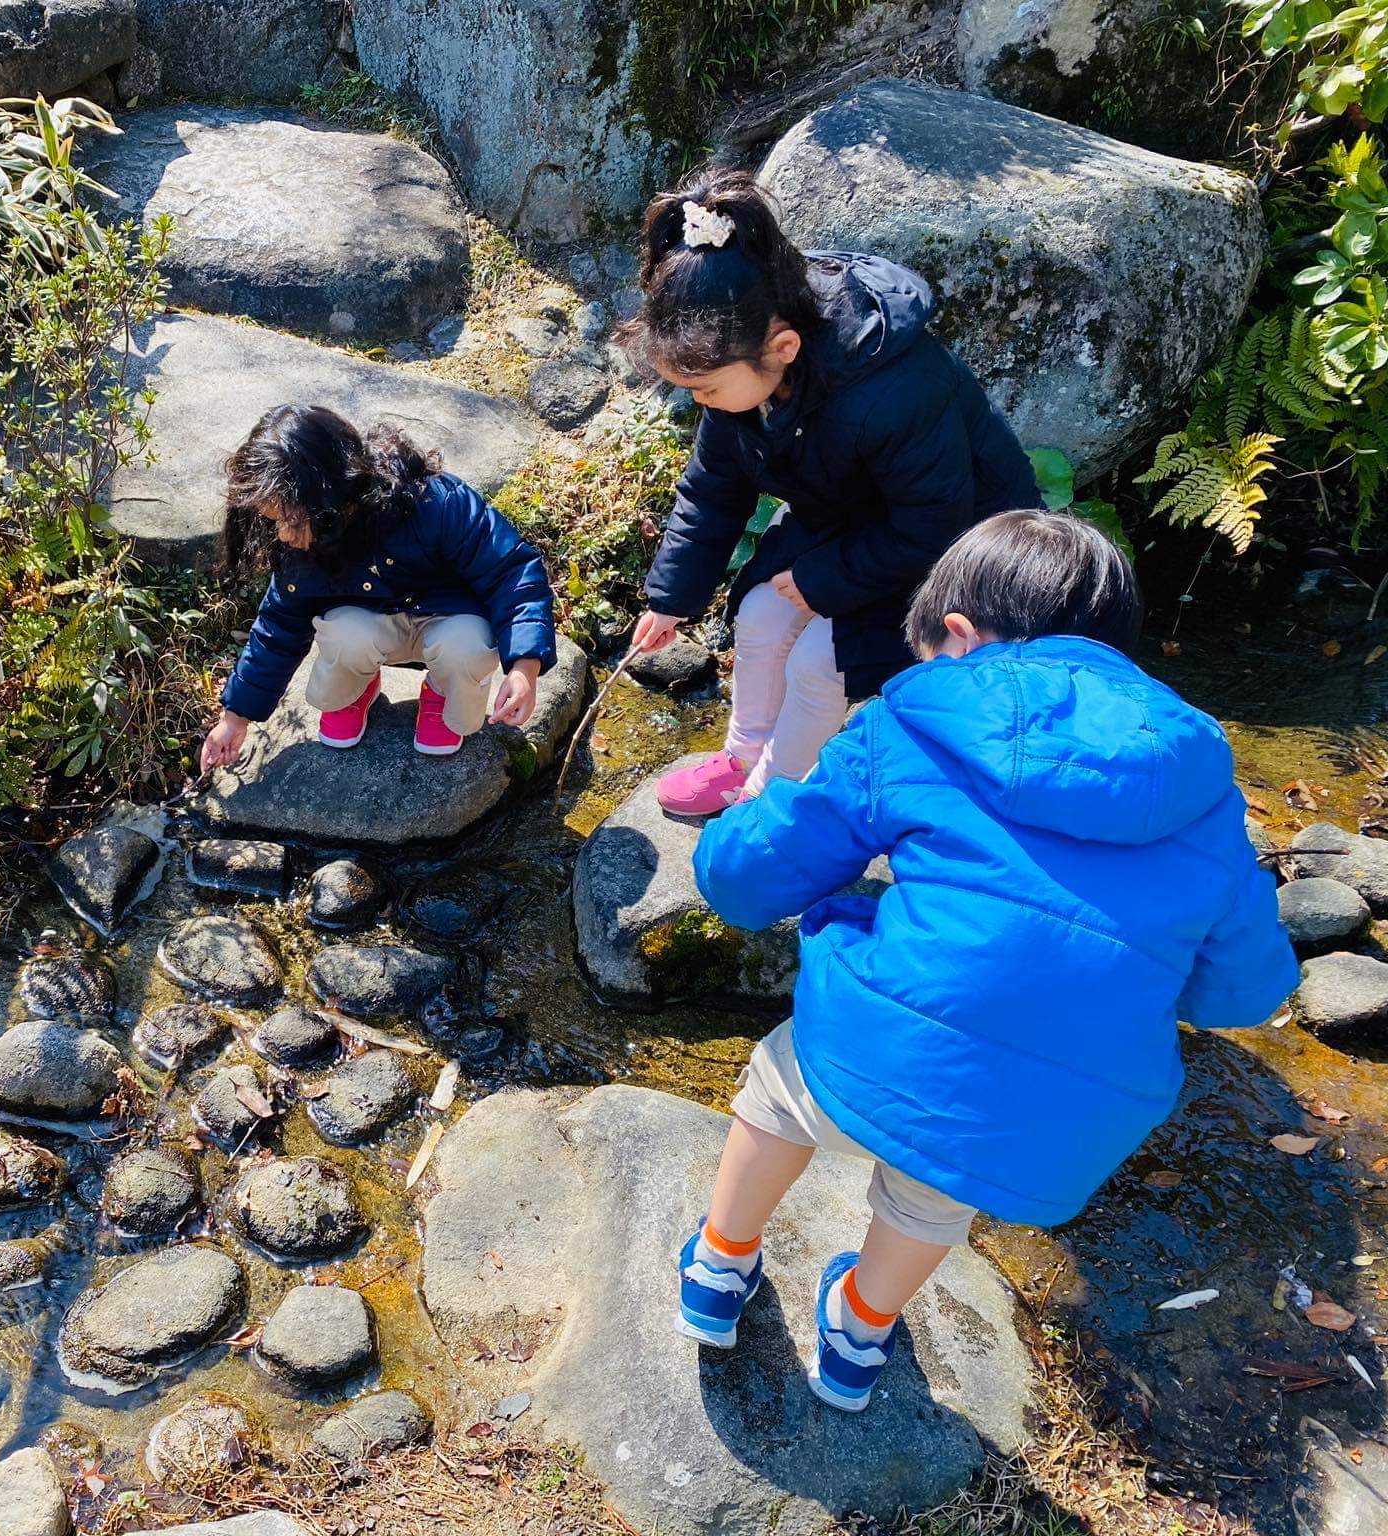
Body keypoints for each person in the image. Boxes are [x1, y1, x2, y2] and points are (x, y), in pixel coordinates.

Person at [674, 510, 1298, 1411]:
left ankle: (719, 1263)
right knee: (939, 1180)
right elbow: (1244, 991)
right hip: (1051, 1127)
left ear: (958, 636)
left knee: (780, 1085)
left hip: (882, 1052)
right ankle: (858, 1331)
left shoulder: (911, 723)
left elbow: (747, 880)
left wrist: (738, 830)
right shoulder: (1199, 779)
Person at [620, 167, 1039, 816]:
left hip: (961, 551)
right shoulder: (742, 374)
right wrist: (671, 598)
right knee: (759, 614)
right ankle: (741, 758)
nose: (699, 402)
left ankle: (777, 792)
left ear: (783, 346)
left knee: (821, 659)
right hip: (853, 519)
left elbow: (935, 525)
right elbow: (711, 492)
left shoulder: (891, 387)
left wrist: (823, 578)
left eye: (705, 390)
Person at [199, 404, 557, 769]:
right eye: (272, 520)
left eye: (289, 520)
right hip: (369, 626)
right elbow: (278, 629)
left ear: (331, 498)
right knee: (343, 635)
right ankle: (356, 689)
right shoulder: (299, 545)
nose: (282, 534)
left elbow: (512, 574)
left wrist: (524, 668)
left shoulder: (434, 502)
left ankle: (443, 691)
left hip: (452, 619)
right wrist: (234, 718)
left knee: (465, 646)